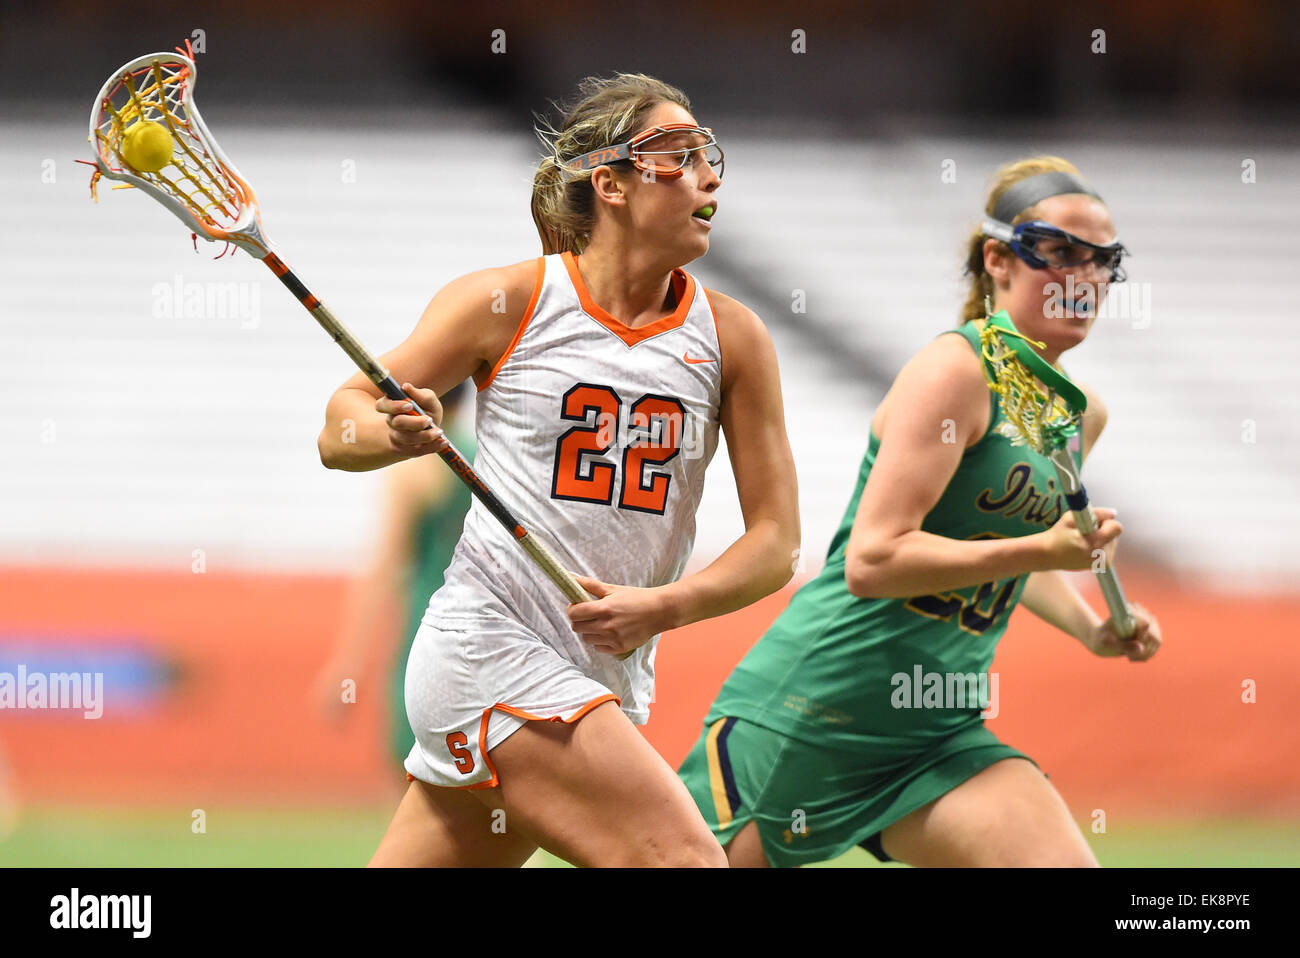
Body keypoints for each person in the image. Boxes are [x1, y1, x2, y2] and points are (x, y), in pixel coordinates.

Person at [316, 74, 800, 867]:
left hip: (596, 669)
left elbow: (778, 543)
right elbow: (340, 425)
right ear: (608, 182)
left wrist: (666, 606)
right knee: (685, 860)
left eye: (710, 155)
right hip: (488, 650)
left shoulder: (734, 340)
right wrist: (389, 433)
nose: (709, 175)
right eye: (678, 156)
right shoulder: (506, 301)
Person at [678, 155, 1163, 868]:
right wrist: (1042, 550)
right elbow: (875, 562)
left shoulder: (1079, 414)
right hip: (814, 712)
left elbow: (1009, 552)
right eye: (1060, 254)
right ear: (999, 258)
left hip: (936, 732)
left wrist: (1090, 627)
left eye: (1103, 261)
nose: (1084, 278)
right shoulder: (954, 373)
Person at [313, 382, 475, 774]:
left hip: (428, 629)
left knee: (417, 770)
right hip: (485, 629)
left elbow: (384, 570)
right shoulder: (483, 459)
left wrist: (347, 664)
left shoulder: (414, 470)